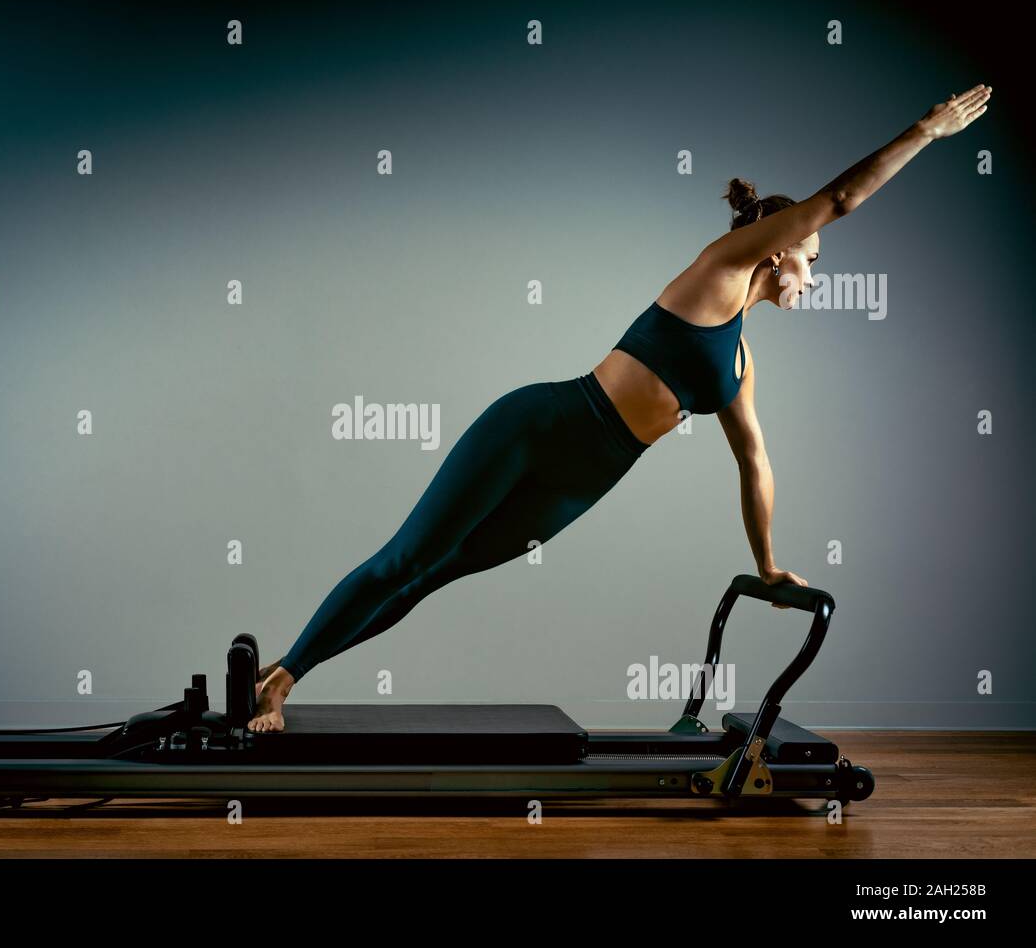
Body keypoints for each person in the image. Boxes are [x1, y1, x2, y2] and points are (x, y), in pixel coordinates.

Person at [249, 84, 992, 732]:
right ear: (778, 247)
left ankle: (281, 669)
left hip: (581, 484)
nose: (818, 274)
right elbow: (839, 199)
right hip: (539, 430)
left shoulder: (739, 361)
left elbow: (755, 462)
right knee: (406, 557)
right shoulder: (719, 270)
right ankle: (281, 683)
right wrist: (924, 133)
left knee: (432, 575)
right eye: (814, 257)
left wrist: (767, 566)